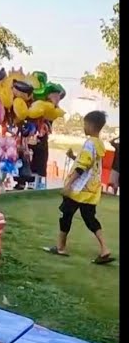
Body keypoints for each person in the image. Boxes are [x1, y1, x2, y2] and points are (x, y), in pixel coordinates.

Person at [48, 110, 114, 264]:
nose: (84, 127)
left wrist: (69, 185)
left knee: (66, 215)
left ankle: (60, 246)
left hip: (78, 189)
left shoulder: (89, 143)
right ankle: (105, 248)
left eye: (85, 124)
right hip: (90, 191)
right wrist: (73, 157)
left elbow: (82, 166)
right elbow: (89, 163)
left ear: (91, 125)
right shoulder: (99, 144)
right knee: (90, 218)